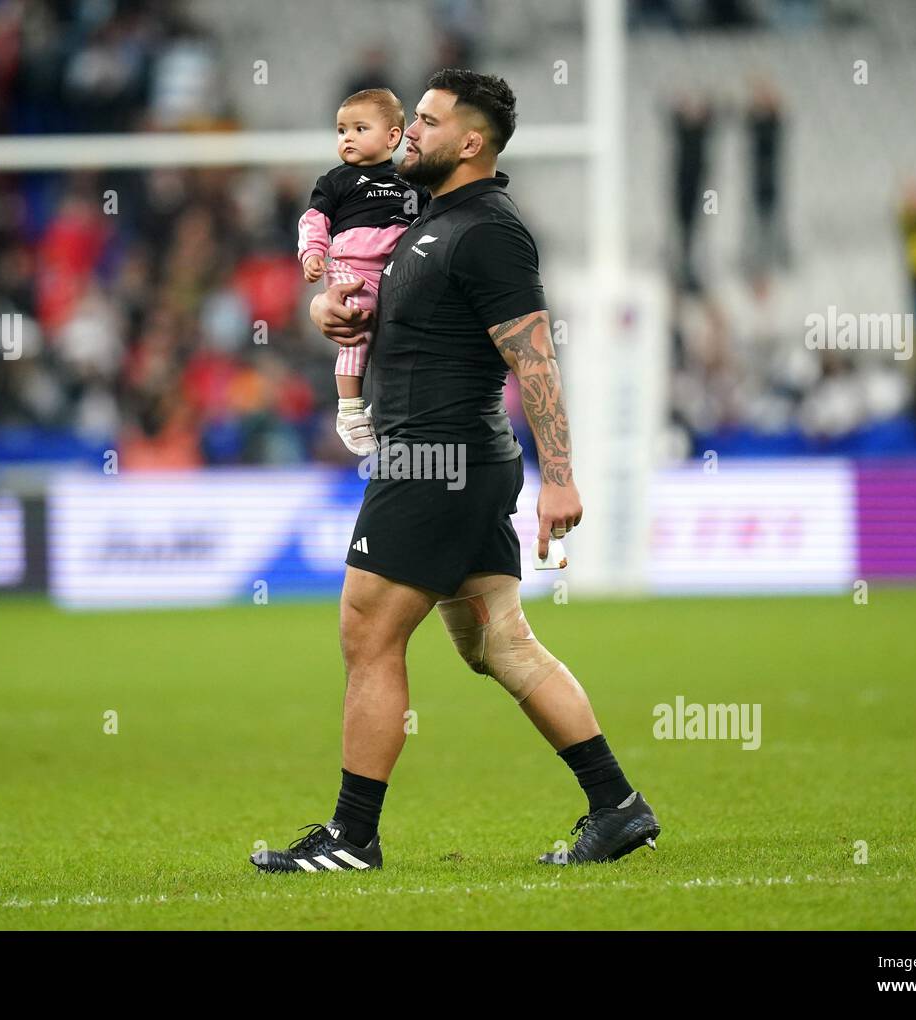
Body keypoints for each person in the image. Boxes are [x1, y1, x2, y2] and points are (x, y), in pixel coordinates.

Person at [253, 69, 661, 874]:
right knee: (499, 644)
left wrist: (561, 475)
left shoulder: (489, 230)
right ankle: (617, 807)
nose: (410, 132)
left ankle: (351, 838)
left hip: (435, 457)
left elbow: (533, 352)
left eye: (428, 122)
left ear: (470, 142)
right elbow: (369, 306)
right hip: (454, 457)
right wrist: (326, 309)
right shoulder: (430, 224)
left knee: (367, 631)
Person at [298, 88, 423, 455]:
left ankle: (385, 404)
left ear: (392, 137)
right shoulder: (335, 181)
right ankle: (349, 411)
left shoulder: (410, 181)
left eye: (359, 129)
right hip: (351, 269)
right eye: (341, 131)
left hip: (398, 270)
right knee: (356, 333)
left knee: (400, 332)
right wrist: (311, 254)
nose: (347, 137)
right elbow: (314, 219)